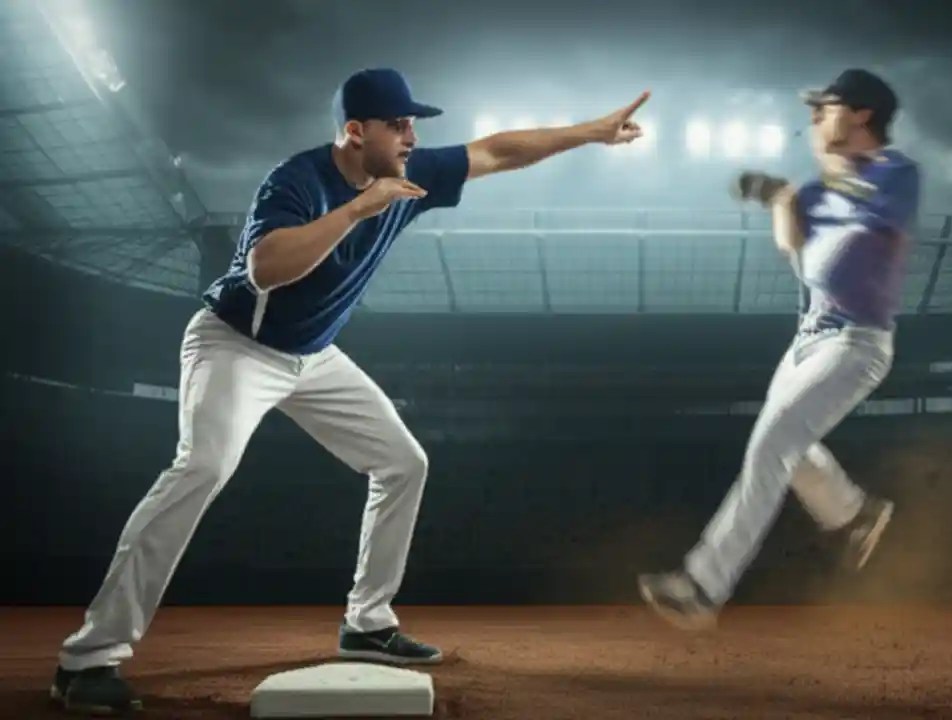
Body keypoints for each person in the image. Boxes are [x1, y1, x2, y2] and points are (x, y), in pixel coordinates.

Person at [51, 67, 650, 714]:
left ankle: (368, 624)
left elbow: (498, 149)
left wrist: (591, 132)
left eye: (414, 123)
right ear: (356, 131)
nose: (412, 136)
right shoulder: (298, 179)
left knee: (403, 463)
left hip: (311, 356)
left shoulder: (409, 176)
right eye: (399, 124)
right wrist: (359, 207)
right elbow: (265, 267)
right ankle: (87, 660)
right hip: (235, 345)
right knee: (202, 467)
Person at [637, 68, 920, 631]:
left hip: (856, 342)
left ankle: (702, 587)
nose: (814, 117)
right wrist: (781, 201)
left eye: (826, 107)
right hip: (806, 343)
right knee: (785, 452)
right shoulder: (818, 188)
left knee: (772, 448)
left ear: (862, 114)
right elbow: (793, 246)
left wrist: (804, 186)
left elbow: (881, 220)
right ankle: (854, 512)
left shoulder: (896, 173)